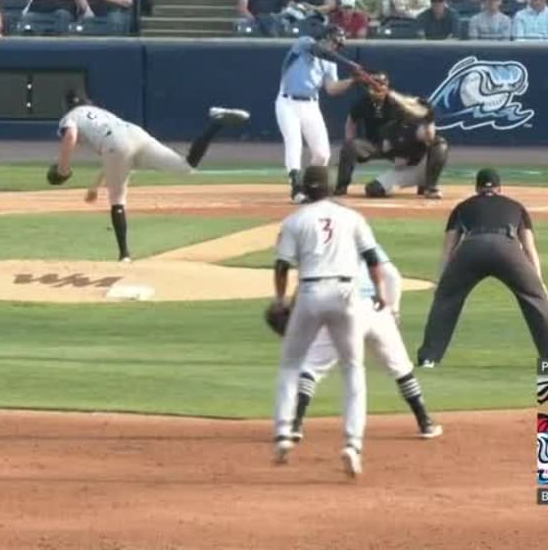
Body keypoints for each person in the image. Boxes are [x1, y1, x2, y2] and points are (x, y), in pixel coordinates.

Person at [269, 165, 388, 478]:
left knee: (290, 365)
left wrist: (281, 299)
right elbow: (373, 258)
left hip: (309, 292)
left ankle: (283, 433)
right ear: (332, 187)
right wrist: (380, 292)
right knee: (352, 368)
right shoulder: (352, 217)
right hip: (347, 293)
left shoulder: (294, 220)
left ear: (306, 190)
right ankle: (352, 444)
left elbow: (282, 266)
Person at [49, 90, 249, 263]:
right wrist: (95, 185)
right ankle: (215, 124)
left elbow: (72, 137)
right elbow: (114, 156)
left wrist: (63, 169)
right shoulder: (101, 113)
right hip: (136, 134)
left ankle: (124, 256)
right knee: (185, 167)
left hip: (116, 144)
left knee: (117, 200)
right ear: (88, 102)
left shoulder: (70, 117)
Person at [286, 238, 443, 444]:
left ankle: (295, 425)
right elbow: (392, 276)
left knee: (311, 367)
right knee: (401, 368)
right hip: (374, 310)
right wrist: (393, 309)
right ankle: (425, 422)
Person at [416, 169, 548, 367]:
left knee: (446, 300)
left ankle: (429, 358)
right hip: (507, 248)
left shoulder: (462, 207)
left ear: (477, 188)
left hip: (471, 248)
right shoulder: (516, 207)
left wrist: (442, 282)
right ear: (499, 188)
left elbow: (448, 249)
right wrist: (539, 282)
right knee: (536, 299)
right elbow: (530, 249)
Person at [276, 26, 363, 204]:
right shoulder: (305, 43)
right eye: (334, 43)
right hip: (287, 102)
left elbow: (331, 88)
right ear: (325, 38)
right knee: (294, 142)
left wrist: (354, 80)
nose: (335, 48)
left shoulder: (330, 62)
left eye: (338, 46)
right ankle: (296, 188)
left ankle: (312, 184)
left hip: (311, 105)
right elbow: (319, 51)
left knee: (322, 153)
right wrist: (349, 64)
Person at [335, 73, 449, 199]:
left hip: (403, 148)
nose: (377, 89)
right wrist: (350, 143)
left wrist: (429, 119)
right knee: (351, 147)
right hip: (376, 143)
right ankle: (341, 188)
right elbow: (351, 122)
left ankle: (429, 186)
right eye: (374, 86)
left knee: (438, 142)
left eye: (381, 85)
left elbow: (428, 136)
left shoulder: (400, 107)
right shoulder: (362, 103)